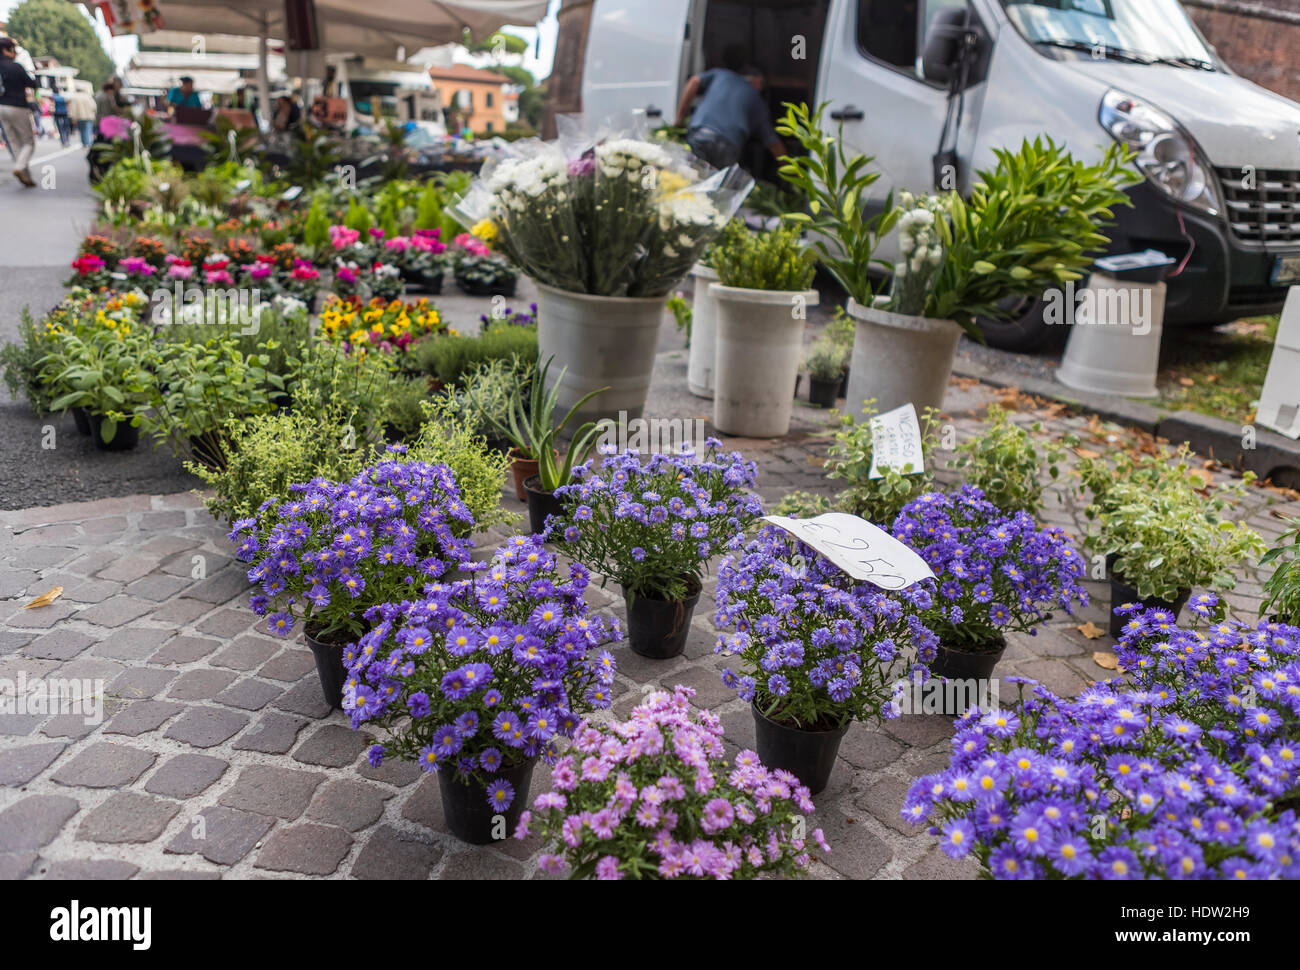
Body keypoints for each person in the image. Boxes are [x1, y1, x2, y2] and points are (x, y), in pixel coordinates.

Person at [674, 64, 783, 171]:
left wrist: (679, 119)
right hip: (729, 146)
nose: (761, 89)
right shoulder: (758, 101)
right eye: (762, 84)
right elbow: (773, 144)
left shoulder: (721, 74)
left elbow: (694, 81)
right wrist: (790, 171)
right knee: (717, 181)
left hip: (702, 134)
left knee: (688, 175)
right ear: (756, 79)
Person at [0, 37, 38, 186]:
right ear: (6, 50)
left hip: (1, 108)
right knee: (28, 142)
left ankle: (26, 176)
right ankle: (20, 167)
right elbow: (32, 83)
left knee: (14, 142)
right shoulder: (15, 67)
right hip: (18, 106)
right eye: (12, 49)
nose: (14, 52)